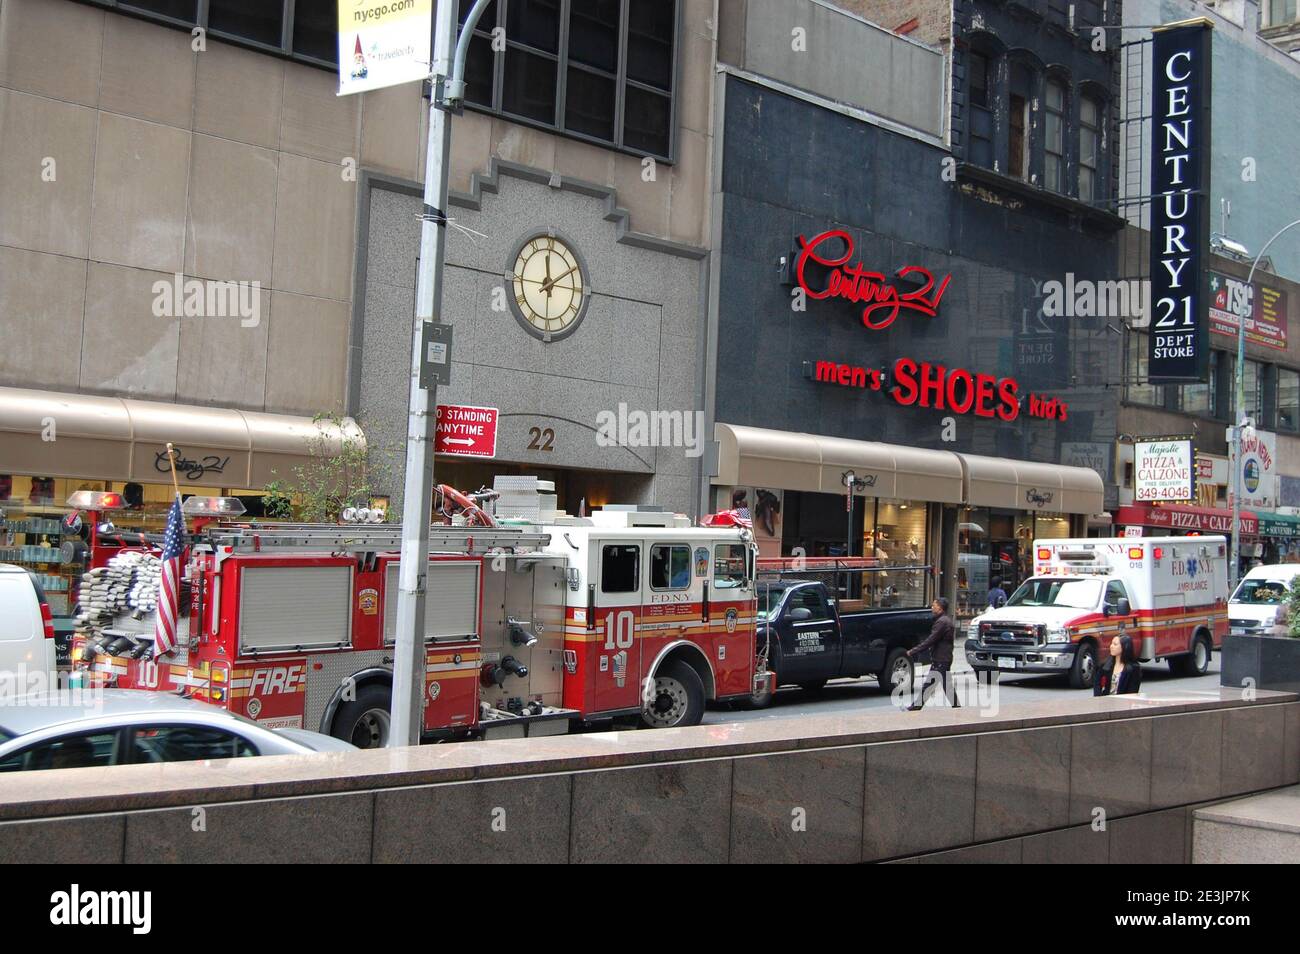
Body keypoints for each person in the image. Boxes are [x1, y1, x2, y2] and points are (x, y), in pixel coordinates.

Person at [906, 597, 959, 709]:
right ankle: (917, 706)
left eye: (934, 605)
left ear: (940, 607)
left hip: (941, 658)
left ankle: (916, 706)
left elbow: (931, 640)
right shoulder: (944, 620)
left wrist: (913, 651)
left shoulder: (942, 622)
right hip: (943, 658)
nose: (932, 607)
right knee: (940, 685)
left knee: (932, 685)